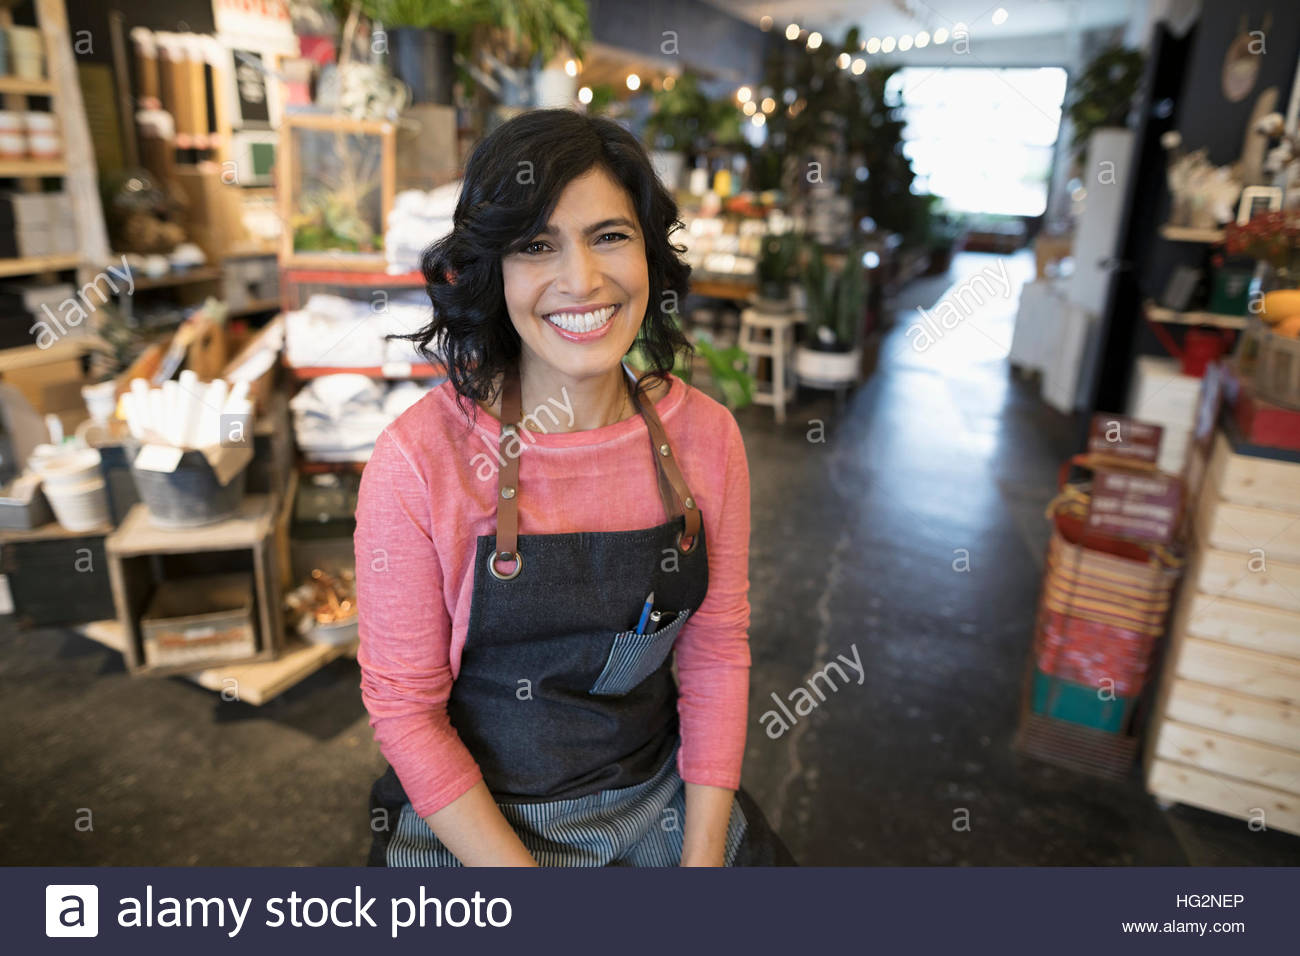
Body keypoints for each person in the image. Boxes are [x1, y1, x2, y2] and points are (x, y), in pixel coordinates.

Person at [354, 108, 793, 866]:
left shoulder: (708, 439)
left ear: (649, 251)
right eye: (536, 245)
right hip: (474, 826)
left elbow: (716, 652)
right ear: (493, 270)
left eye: (610, 236)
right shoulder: (419, 461)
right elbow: (406, 713)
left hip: (656, 800)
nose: (583, 280)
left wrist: (701, 864)